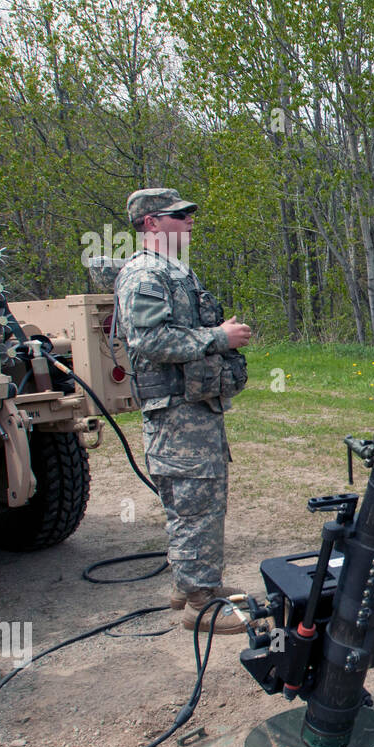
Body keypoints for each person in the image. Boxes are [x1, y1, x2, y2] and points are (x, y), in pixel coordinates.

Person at [116, 188, 252, 634]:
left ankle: (192, 584)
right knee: (196, 502)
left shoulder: (174, 272)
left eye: (191, 212)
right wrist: (218, 338)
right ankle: (199, 602)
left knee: (196, 501)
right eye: (179, 215)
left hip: (192, 409)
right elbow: (150, 341)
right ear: (151, 223)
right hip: (177, 415)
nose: (191, 220)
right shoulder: (144, 275)